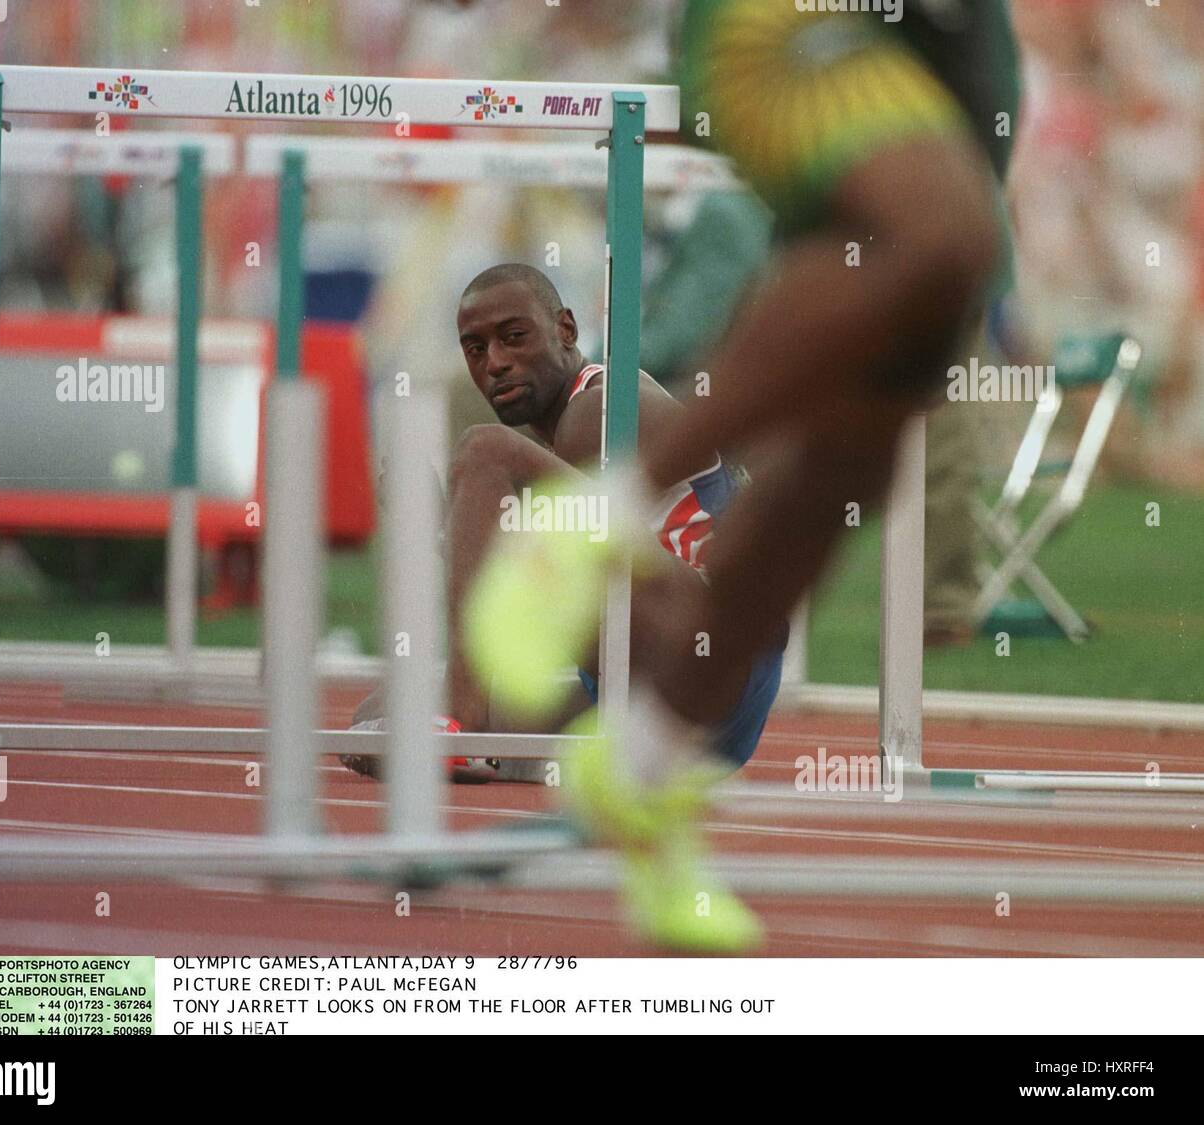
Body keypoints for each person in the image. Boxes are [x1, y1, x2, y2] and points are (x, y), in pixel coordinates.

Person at [463, 0, 1022, 950]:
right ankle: (601, 514)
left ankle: (643, 763)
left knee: (858, 445)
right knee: (944, 232)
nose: (494, 360)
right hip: (789, 20)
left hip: (953, 58)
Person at [344, 263, 785, 786]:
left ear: (566, 331)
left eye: (513, 338)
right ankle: (486, 746)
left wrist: (441, 525)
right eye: (476, 349)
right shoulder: (559, 439)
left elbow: (548, 579)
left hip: (704, 652)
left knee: (483, 450)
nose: (497, 363)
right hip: (637, 686)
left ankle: (460, 727)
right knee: (374, 718)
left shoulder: (596, 410)